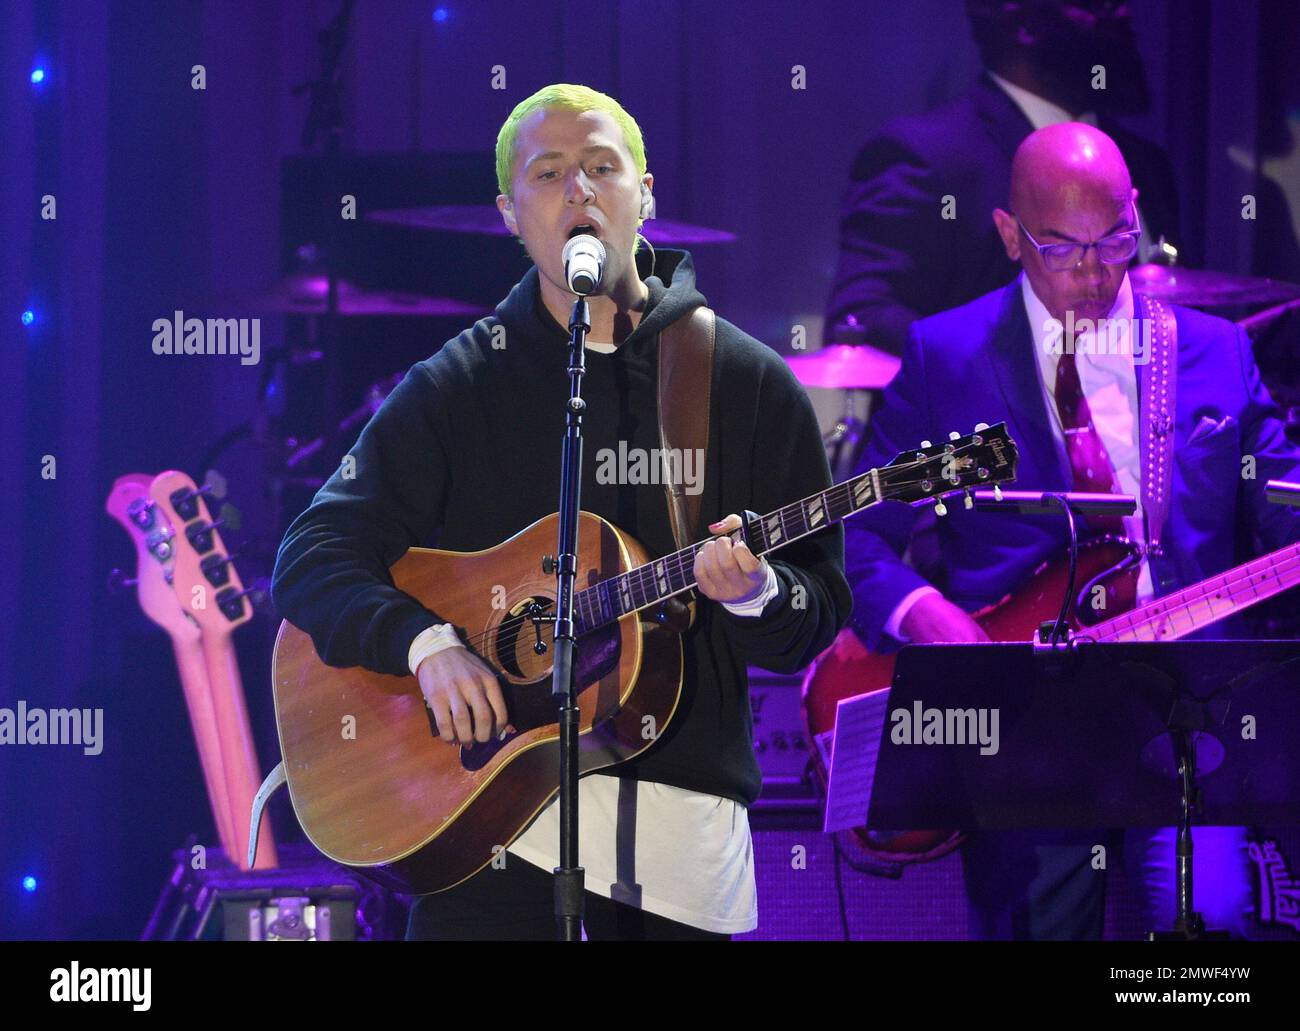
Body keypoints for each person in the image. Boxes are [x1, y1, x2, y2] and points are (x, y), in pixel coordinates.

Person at [271, 83, 851, 941]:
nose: (578, 190)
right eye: (548, 174)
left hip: (679, 843)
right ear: (509, 212)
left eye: (601, 167)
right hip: (482, 827)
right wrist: (424, 645)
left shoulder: (745, 381)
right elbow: (312, 552)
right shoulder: (460, 382)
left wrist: (757, 591)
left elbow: (819, 611)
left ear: (645, 193)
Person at [845, 121, 1300, 939]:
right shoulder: (946, 356)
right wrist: (926, 614)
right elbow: (857, 539)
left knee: (1213, 925)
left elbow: (1278, 500)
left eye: (1117, 239)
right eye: (1063, 249)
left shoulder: (1214, 353)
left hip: (1182, 708)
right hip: (1026, 726)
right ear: (1010, 235)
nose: (1096, 272)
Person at [824, 0, 1183, 356]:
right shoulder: (926, 156)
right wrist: (1007, 370)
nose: (1122, 14)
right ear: (1024, 23)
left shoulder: (1146, 162)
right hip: (986, 415)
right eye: (1093, 4)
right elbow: (860, 314)